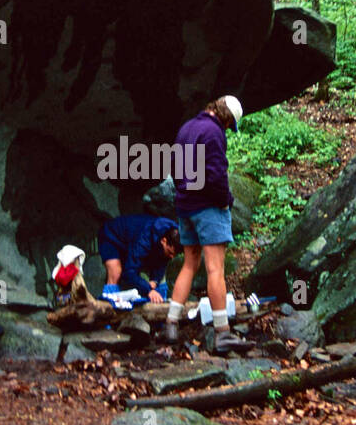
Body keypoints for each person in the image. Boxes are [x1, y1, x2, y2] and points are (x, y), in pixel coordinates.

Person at [163, 95, 248, 353]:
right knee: (215, 269)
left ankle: (170, 323)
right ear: (227, 118)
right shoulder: (214, 133)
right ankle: (223, 332)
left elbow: (175, 168)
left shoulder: (187, 127)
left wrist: (184, 194)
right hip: (208, 208)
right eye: (230, 124)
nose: (228, 130)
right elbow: (216, 175)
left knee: (189, 264)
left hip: (185, 206)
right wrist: (226, 201)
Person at [97, 214, 182, 303]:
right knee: (116, 272)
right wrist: (148, 290)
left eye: (174, 255)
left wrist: (155, 281)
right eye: (170, 252)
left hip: (130, 241)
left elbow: (161, 263)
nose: (172, 257)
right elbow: (130, 271)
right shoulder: (144, 240)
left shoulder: (175, 235)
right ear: (163, 241)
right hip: (111, 235)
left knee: (159, 282)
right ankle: (109, 305)